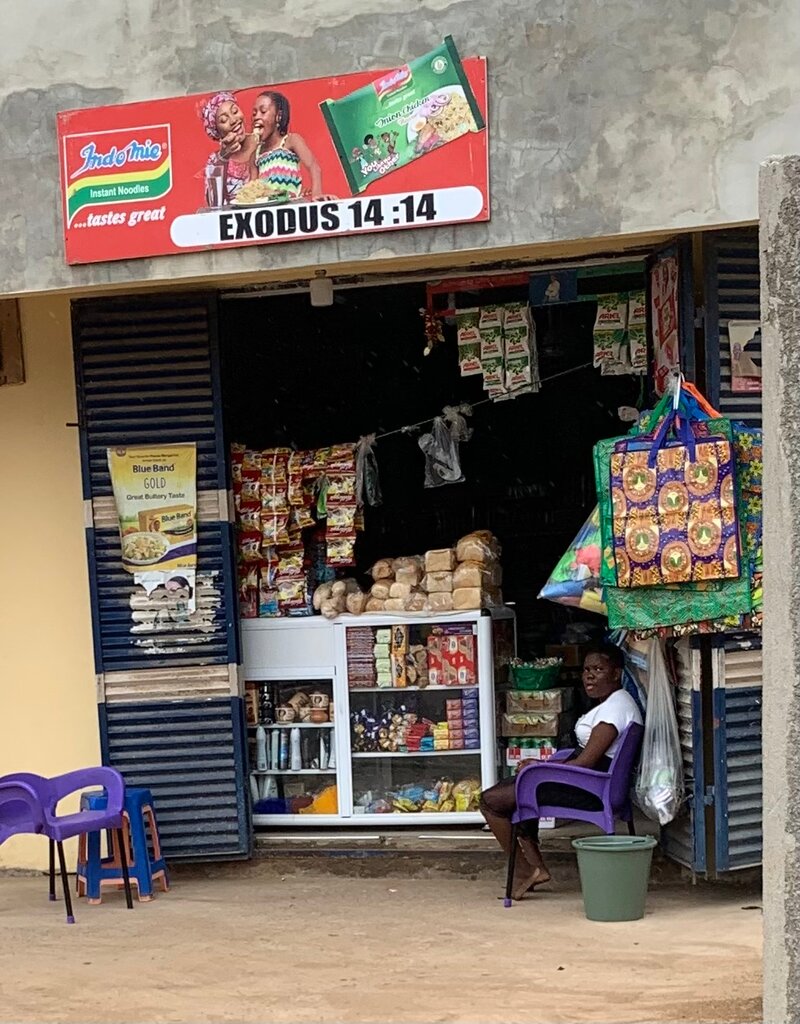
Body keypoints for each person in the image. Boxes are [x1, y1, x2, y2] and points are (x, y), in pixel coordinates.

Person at [480, 642, 643, 900]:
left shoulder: (615, 708)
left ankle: (525, 871)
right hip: (587, 782)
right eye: (587, 669)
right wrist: (540, 766)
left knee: (491, 801)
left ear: (616, 673)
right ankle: (536, 869)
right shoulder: (614, 702)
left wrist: (542, 767)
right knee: (512, 787)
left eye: (598, 669)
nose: (589, 675)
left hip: (590, 789)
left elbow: (585, 763)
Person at [251, 90, 332, 201]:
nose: (256, 117)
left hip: (291, 208)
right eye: (254, 113)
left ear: (278, 116)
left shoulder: (291, 140)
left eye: (263, 111)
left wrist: (316, 194)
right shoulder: (255, 153)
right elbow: (252, 188)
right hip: (267, 210)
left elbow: (314, 167)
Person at [200, 91, 258, 206]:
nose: (233, 120)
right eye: (223, 120)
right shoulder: (215, 161)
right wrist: (223, 158)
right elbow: (213, 205)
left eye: (235, 111)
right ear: (217, 131)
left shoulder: (263, 142)